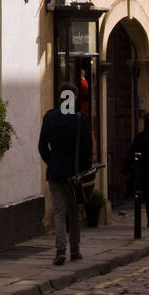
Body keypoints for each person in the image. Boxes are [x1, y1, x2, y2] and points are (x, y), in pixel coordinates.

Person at [38, 83, 91, 265]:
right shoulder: (80, 120)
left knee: (59, 211)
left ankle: (60, 249)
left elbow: (42, 146)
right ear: (73, 98)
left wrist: (52, 162)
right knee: (74, 212)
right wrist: (83, 169)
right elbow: (87, 149)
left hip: (55, 172)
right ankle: (75, 251)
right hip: (74, 174)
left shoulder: (50, 118)